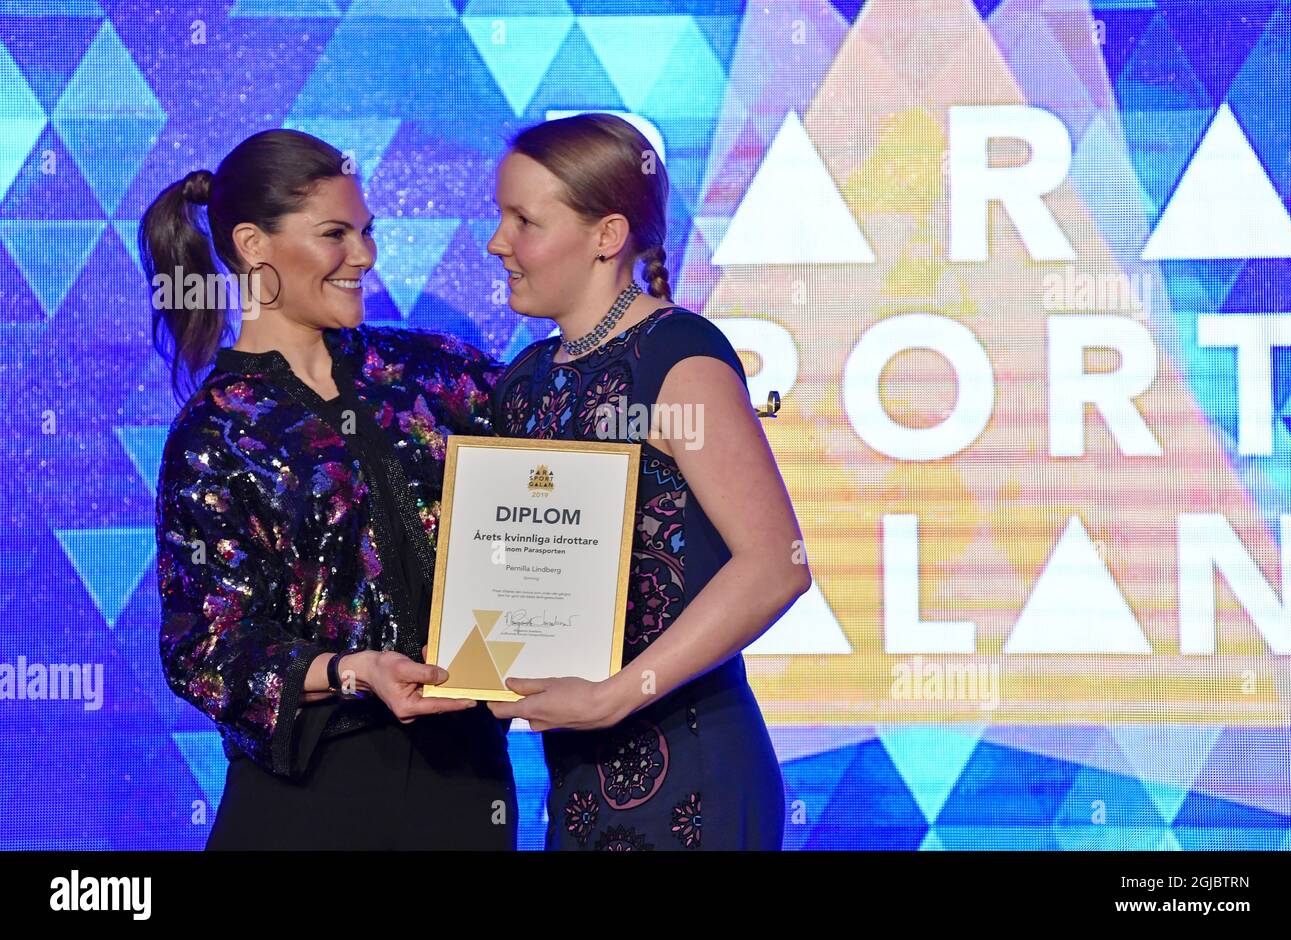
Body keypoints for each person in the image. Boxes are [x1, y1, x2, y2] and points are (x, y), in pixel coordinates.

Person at [145, 128, 516, 849]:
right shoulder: (214, 433)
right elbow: (200, 645)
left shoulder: (427, 370)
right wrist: (350, 670)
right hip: (313, 798)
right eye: (335, 234)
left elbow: (557, 445)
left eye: (367, 231)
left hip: (467, 787)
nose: (366, 256)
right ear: (253, 245)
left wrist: (659, 388)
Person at [484, 113, 811, 850]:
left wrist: (612, 698)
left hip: (692, 768)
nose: (497, 242)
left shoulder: (678, 356)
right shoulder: (523, 384)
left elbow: (775, 567)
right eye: (499, 217)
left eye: (523, 221)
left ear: (607, 236)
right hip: (577, 777)